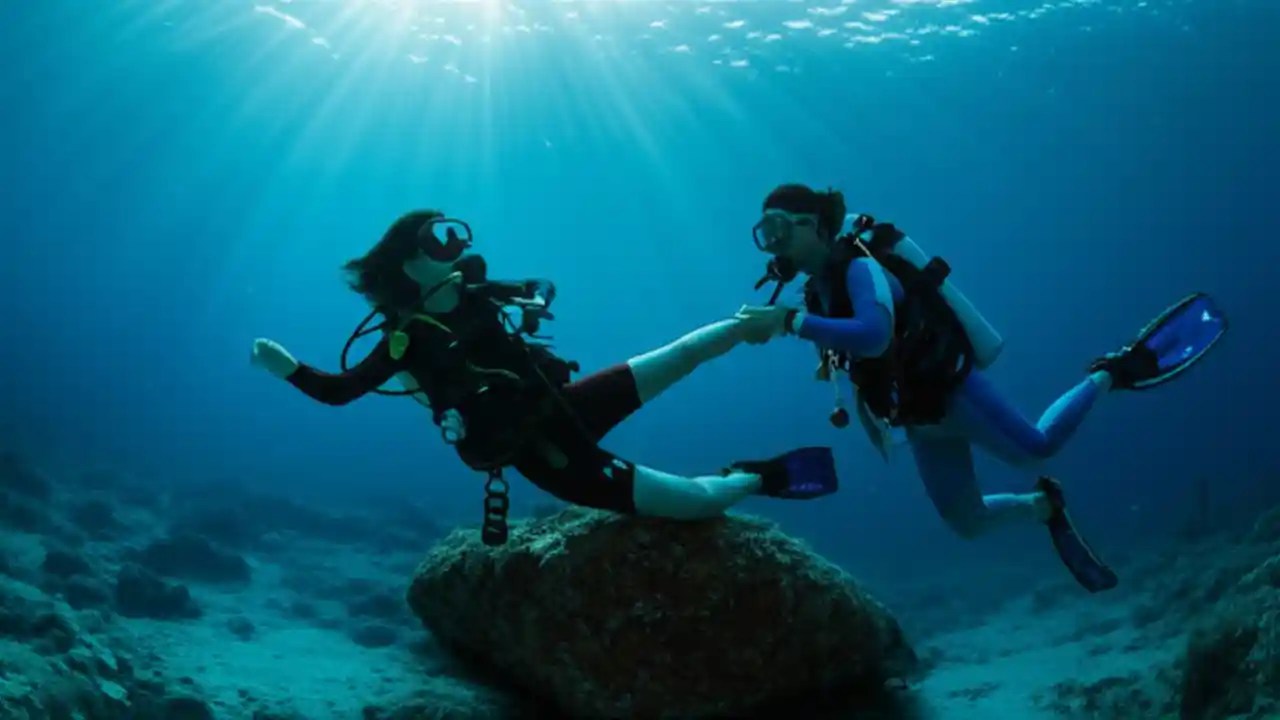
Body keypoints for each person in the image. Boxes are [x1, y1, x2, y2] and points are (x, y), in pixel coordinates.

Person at [736, 183, 1228, 592]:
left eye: (778, 227)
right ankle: (1042, 507)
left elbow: (875, 333)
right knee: (967, 523)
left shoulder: (860, 268)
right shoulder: (815, 292)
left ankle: (1112, 371)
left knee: (1037, 448)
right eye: (764, 233)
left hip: (951, 389)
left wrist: (789, 322)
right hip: (916, 416)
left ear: (813, 224)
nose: (772, 242)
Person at [250, 210, 838, 545]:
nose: (456, 245)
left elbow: (540, 284)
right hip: (541, 452)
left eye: (455, 232)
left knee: (679, 355)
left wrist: (534, 301)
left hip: (563, 404)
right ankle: (755, 477)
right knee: (688, 503)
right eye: (439, 239)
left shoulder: (475, 290)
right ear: (409, 261)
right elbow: (339, 391)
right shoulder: (408, 340)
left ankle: (757, 324)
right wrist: (288, 368)